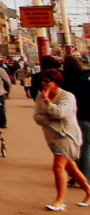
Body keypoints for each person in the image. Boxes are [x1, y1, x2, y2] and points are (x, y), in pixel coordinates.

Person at [35, 69, 90, 211]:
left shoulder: (67, 96)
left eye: (48, 81)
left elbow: (60, 113)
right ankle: (89, 191)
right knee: (70, 168)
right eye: (43, 80)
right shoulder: (39, 97)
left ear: (56, 82)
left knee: (58, 165)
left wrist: (48, 102)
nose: (44, 83)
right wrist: (49, 118)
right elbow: (37, 117)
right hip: (52, 136)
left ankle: (59, 201)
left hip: (68, 135)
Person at [64, 57, 90, 181]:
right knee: (86, 147)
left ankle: (76, 176)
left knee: (74, 148)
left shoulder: (63, 83)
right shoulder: (85, 81)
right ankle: (85, 177)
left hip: (68, 119)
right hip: (85, 116)